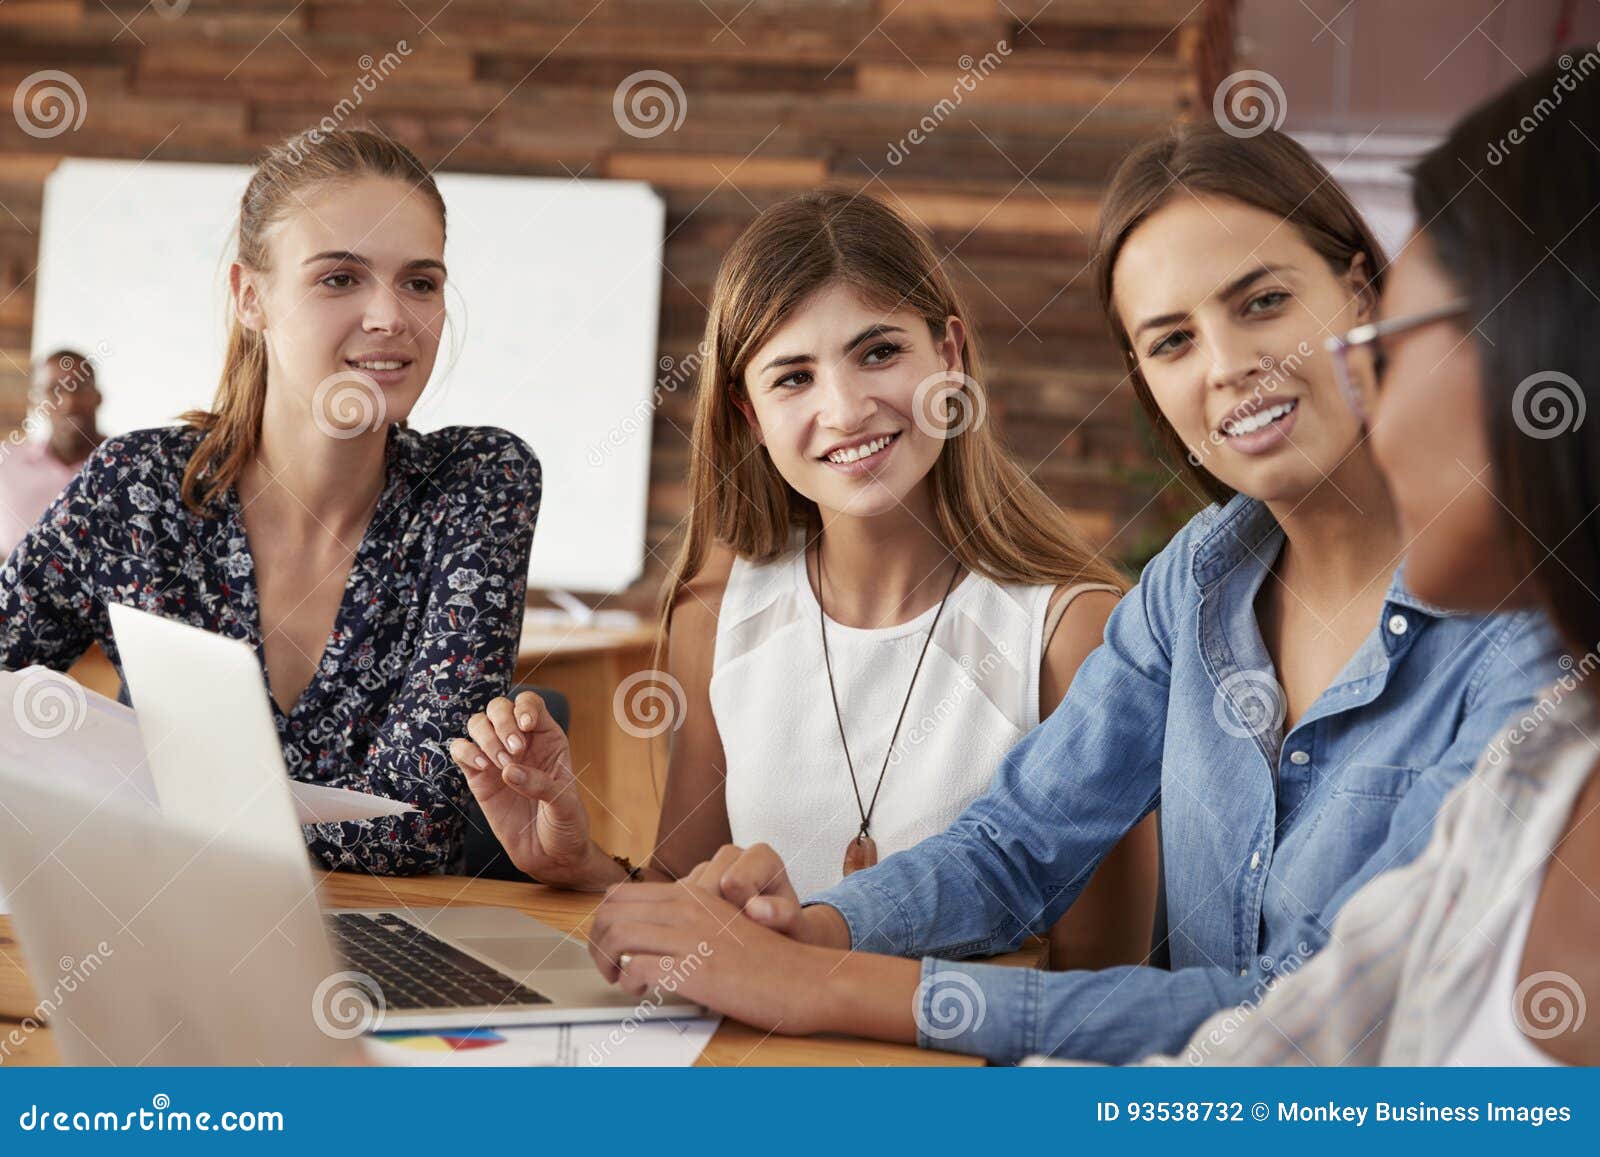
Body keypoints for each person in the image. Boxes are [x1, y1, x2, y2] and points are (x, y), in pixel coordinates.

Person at [579, 124, 1561, 1064]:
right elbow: (1016, 846)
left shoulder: (1530, 634)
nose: (1226, 367)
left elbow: (1308, 1011)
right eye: (1171, 341)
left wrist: (828, 984)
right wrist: (812, 926)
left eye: (1262, 302)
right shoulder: (1196, 582)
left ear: (1360, 292)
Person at [450, 190, 1160, 970]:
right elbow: (683, 909)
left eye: (879, 352)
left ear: (950, 357)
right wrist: (576, 862)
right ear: (749, 414)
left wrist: (814, 981)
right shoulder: (715, 612)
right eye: (793, 377)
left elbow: (1097, 994)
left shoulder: (1073, 634)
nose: (846, 410)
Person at [1148, 53, 1600, 1067]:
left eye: (1388, 348)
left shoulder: (1521, 696)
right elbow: (1271, 1063)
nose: (1372, 413)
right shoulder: (1533, 779)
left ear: (1547, 344)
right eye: (1168, 340)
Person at [0, 127, 540, 876]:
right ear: (250, 296)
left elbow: (413, 827)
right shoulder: (137, 489)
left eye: (420, 283)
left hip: (388, 934)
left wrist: (149, 817)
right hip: (164, 924)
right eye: (340, 278)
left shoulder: (476, 483)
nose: (390, 316)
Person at [0, 349, 105, 557]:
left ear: (98, 397)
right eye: (54, 390)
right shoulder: (6, 463)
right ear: (35, 400)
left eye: (80, 387)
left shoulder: (128, 467)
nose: (69, 402)